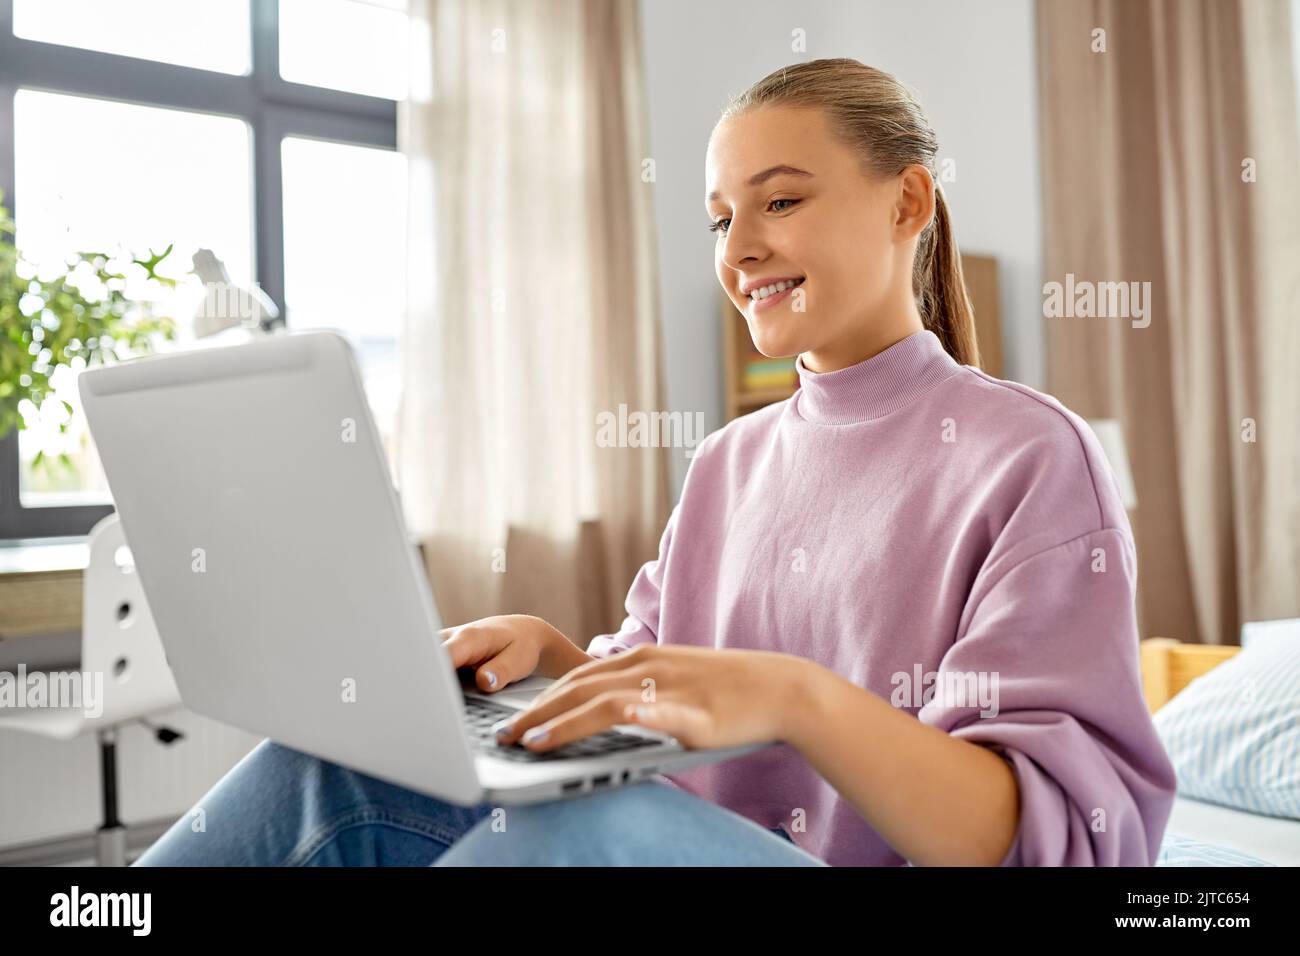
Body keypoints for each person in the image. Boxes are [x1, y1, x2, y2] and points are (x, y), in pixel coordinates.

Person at [135, 57, 1176, 868]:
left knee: (566, 840)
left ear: (907, 203)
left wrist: (796, 697)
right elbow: (672, 705)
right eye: (721, 219)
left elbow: (1055, 836)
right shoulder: (730, 461)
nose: (738, 250)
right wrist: (558, 658)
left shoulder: (1030, 455)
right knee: (334, 772)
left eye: (779, 201)